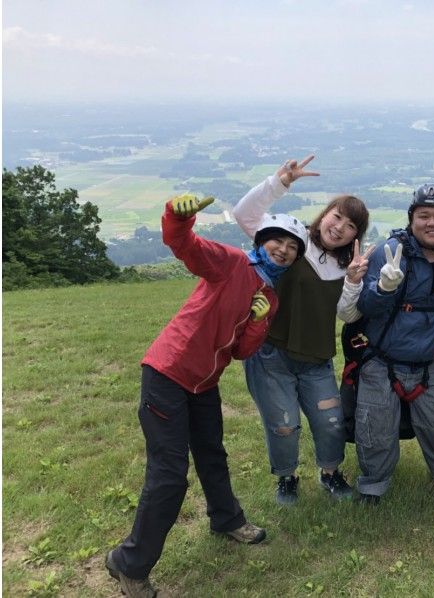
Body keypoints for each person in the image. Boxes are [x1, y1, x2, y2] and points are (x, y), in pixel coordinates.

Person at [106, 194, 308, 597]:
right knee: (168, 476)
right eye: (277, 242)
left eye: (292, 248)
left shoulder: (270, 296)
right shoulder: (232, 263)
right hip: (168, 373)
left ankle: (226, 519)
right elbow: (187, 248)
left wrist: (256, 321)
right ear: (261, 241)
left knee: (213, 453)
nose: (283, 251)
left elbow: (242, 352)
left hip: (204, 383)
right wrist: (176, 217)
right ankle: (127, 564)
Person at [232, 156, 370, 505]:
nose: (339, 227)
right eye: (336, 216)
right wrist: (279, 182)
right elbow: (245, 216)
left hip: (317, 359)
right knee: (283, 425)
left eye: (350, 225)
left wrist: (353, 282)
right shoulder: (292, 242)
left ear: (356, 235)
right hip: (270, 355)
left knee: (331, 422)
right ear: (324, 214)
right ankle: (287, 478)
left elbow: (346, 314)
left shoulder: (346, 268)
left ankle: (330, 473)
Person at [354, 184, 434, 504]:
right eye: (423, 215)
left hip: (426, 363)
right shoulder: (389, 252)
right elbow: (365, 309)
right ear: (411, 219)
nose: (432, 222)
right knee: (375, 432)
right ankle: (374, 482)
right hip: (382, 360)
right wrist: (383, 288)